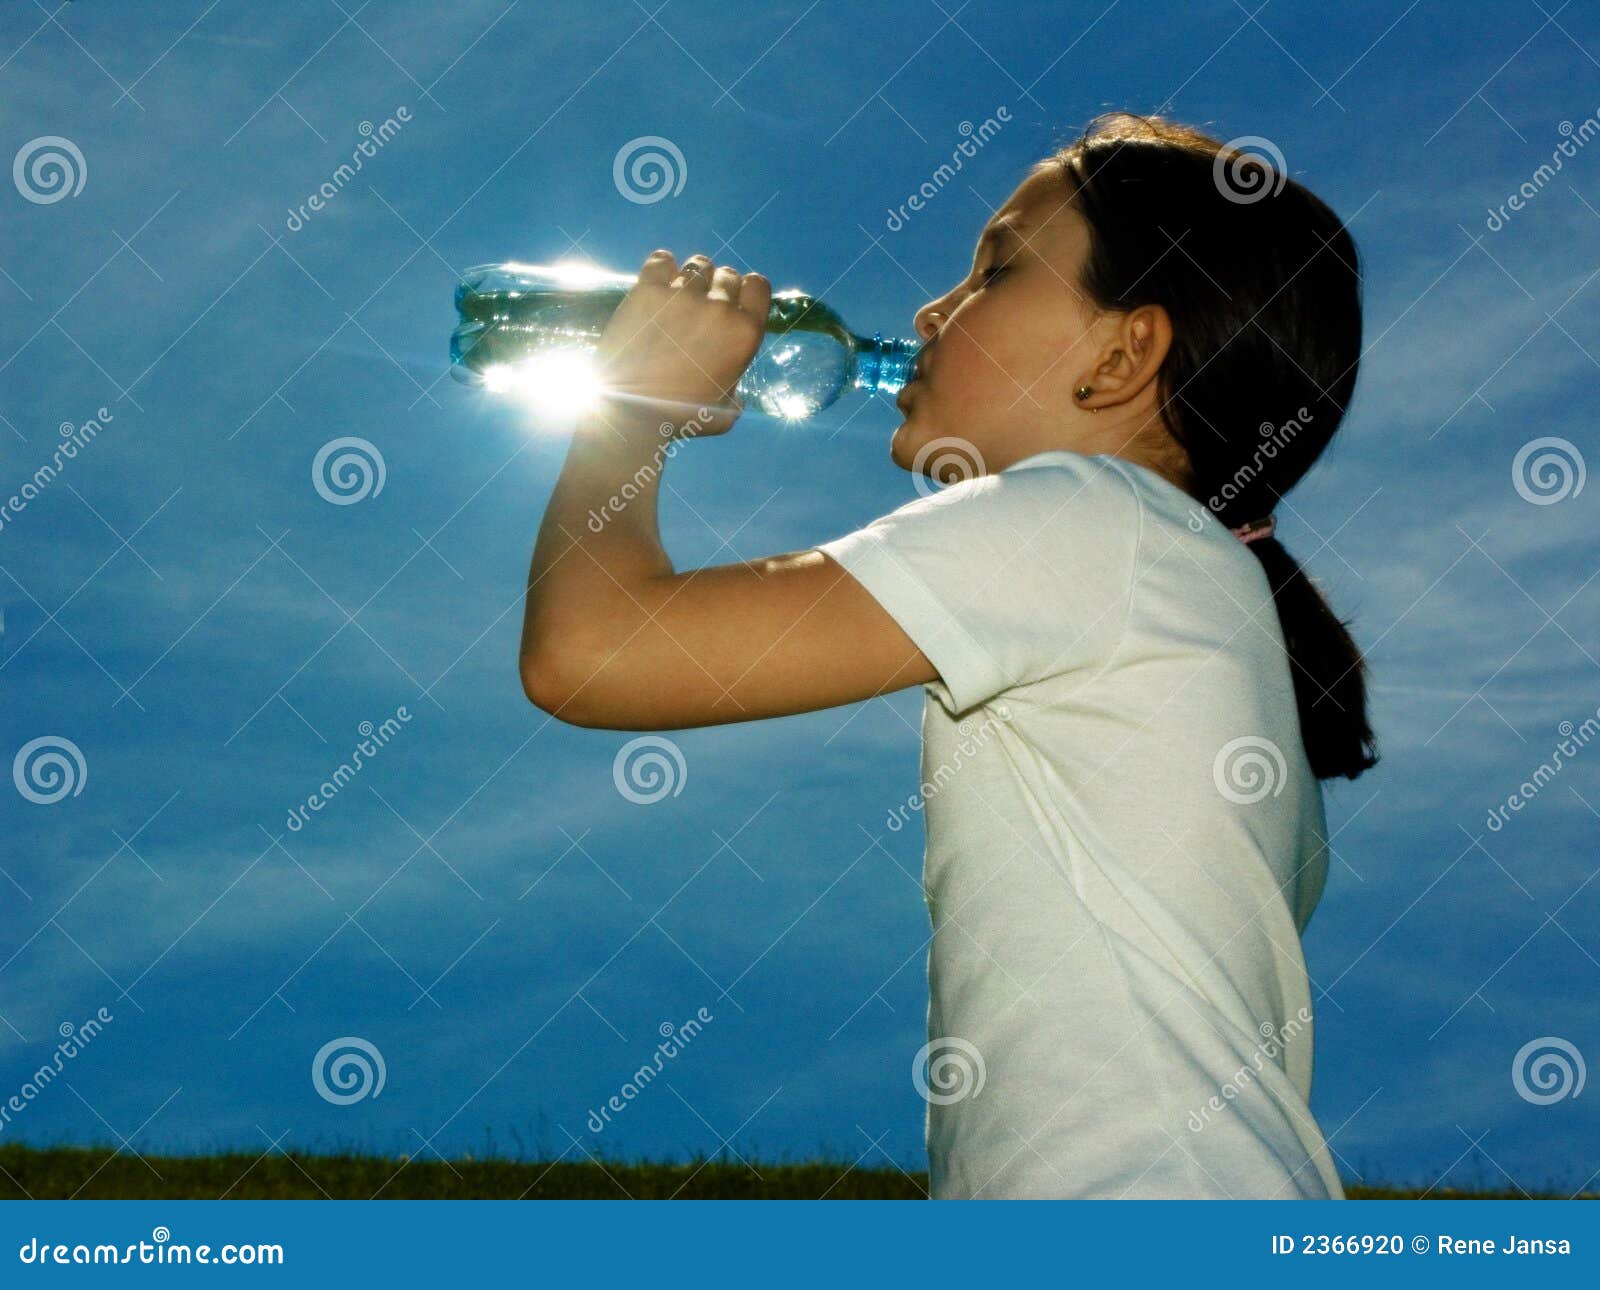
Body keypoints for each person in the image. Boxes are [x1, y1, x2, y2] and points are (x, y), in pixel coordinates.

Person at [518, 110, 1378, 1199]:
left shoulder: (1093, 515)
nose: (932, 309)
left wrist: (630, 410)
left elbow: (592, 651)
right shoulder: (1186, 586)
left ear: (1121, 356)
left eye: (996, 271)